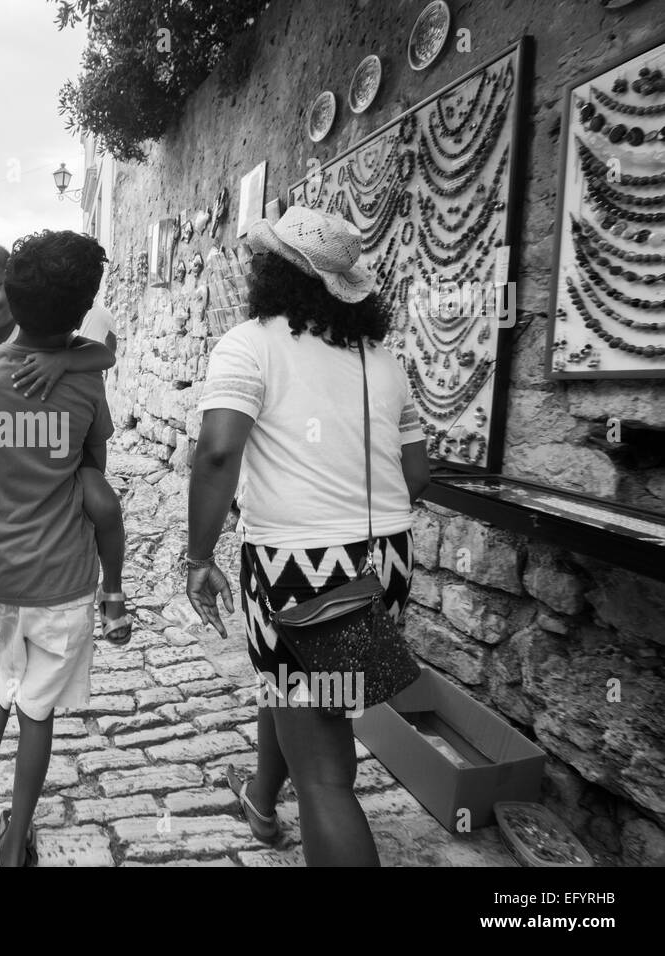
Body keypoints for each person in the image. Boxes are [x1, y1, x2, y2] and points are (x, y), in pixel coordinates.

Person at [185, 207, 431, 867]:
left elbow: (216, 455)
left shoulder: (251, 344)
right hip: (387, 562)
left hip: (303, 569)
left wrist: (198, 556)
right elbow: (417, 471)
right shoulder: (384, 360)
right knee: (291, 684)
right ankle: (262, 803)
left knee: (325, 769)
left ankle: (299, 803)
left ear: (273, 274)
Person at [0, 230, 115, 867]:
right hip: (63, 578)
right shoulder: (85, 386)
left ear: (11, 296)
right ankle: (16, 843)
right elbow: (94, 464)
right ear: (83, 310)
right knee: (37, 710)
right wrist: (72, 363)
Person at [0, 222, 130, 644]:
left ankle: (112, 589)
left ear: (15, 289)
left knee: (106, 506)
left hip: (60, 458)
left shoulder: (50, 335)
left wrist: (62, 362)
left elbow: (101, 354)